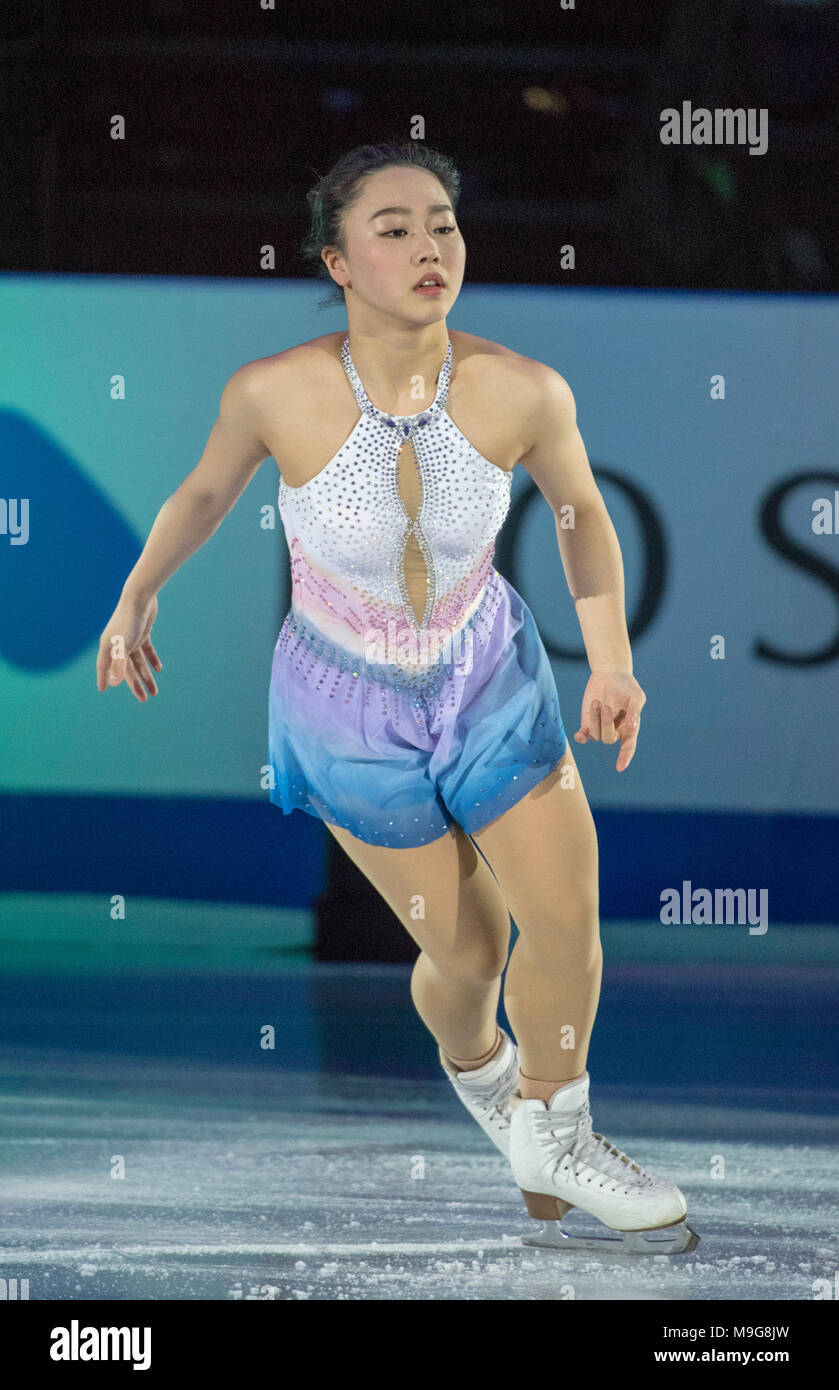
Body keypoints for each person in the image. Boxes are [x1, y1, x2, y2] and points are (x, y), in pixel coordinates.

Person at [96, 141, 697, 1254]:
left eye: (443, 225)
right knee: (467, 955)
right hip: (344, 707)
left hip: (489, 678)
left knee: (562, 919)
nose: (430, 248)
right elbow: (203, 492)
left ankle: (556, 1124)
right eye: (395, 229)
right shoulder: (270, 392)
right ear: (335, 259)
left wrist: (609, 660)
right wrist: (135, 599)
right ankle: (485, 1073)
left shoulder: (525, 389)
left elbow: (580, 519)